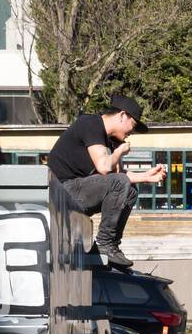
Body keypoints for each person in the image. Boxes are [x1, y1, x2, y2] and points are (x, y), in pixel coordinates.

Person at [46, 95, 166, 268]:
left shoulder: (107, 140)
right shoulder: (90, 123)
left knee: (130, 192)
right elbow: (104, 167)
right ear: (122, 115)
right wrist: (119, 153)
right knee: (120, 183)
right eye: (133, 125)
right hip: (61, 192)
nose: (132, 132)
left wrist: (147, 176)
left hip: (76, 191)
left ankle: (113, 244)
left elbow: (118, 177)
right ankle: (105, 243)